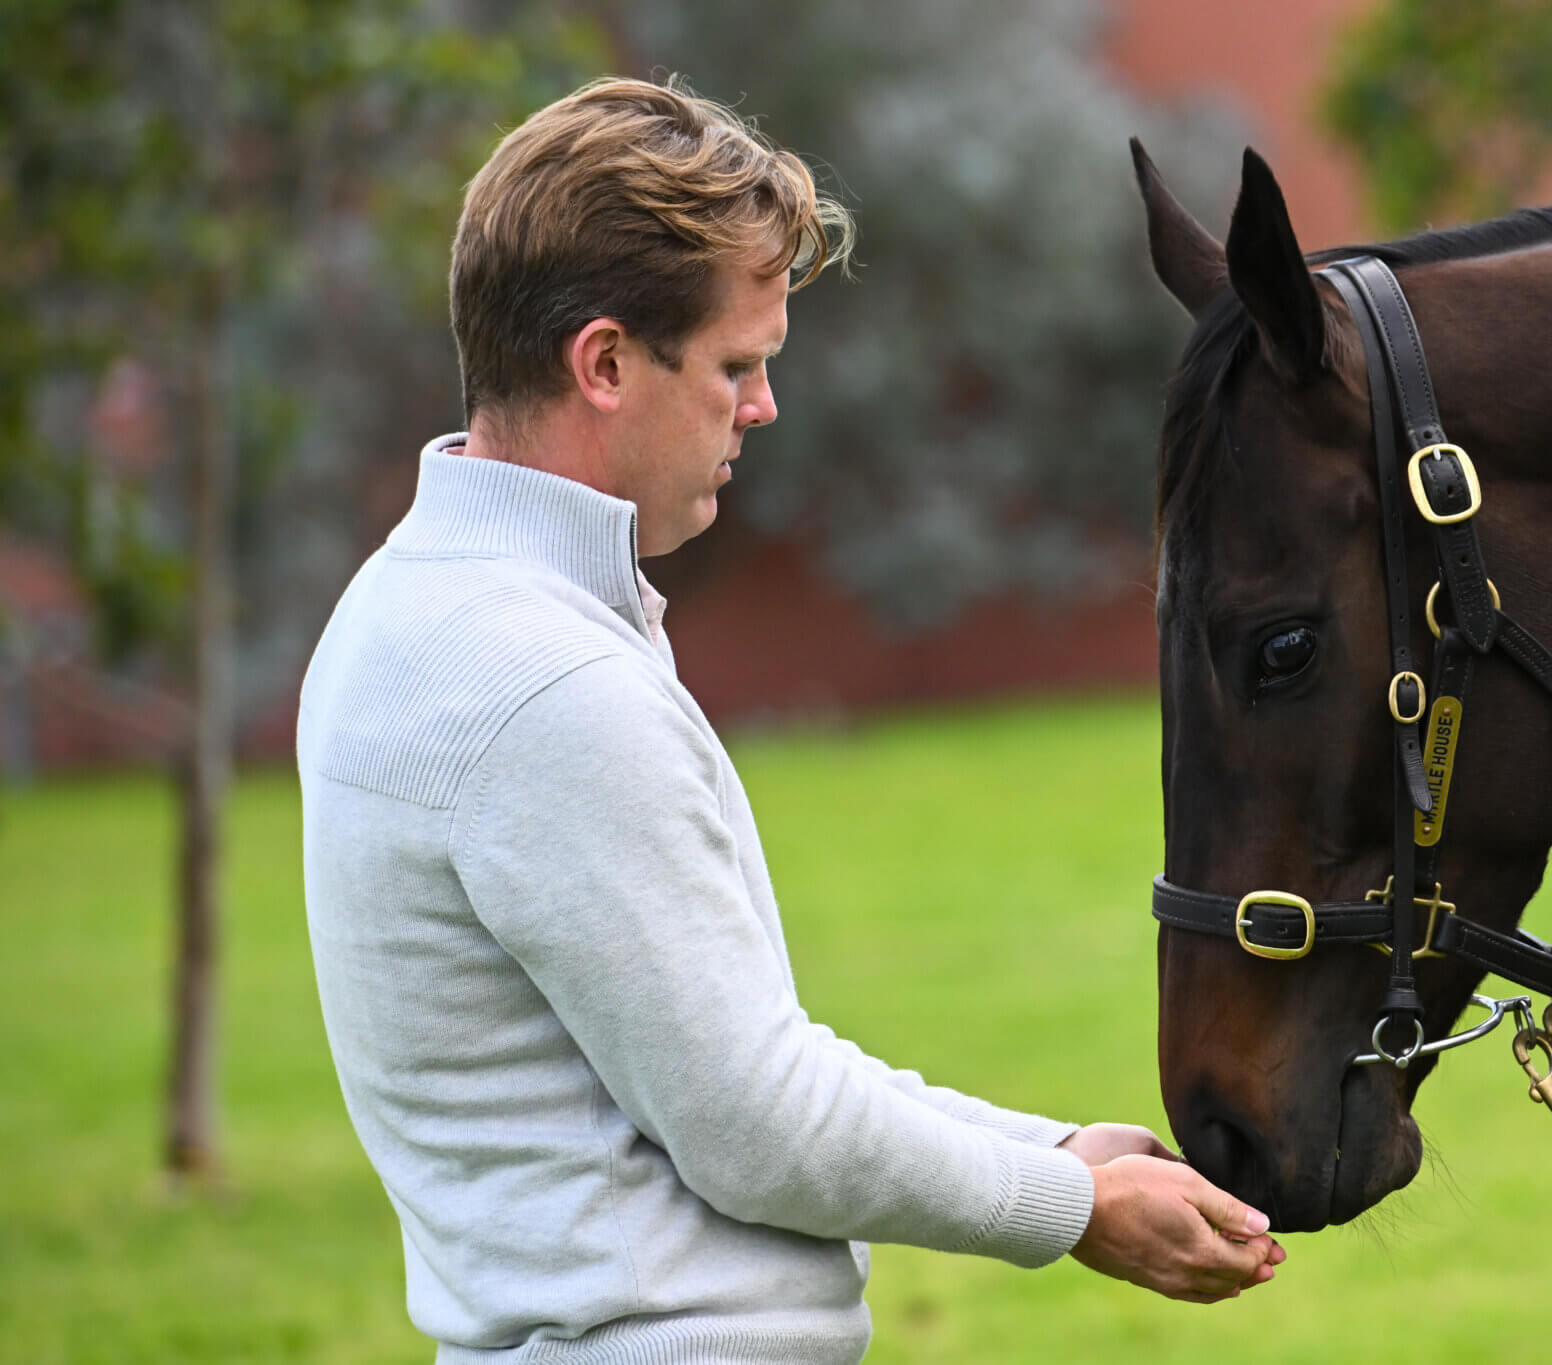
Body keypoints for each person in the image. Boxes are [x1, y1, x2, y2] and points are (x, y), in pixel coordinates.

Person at [297, 76, 1283, 1362]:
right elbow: (756, 1123)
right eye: (734, 366)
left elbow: (735, 1059)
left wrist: (1046, 1150)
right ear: (601, 363)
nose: (760, 408)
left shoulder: (401, 609)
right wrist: (1072, 1206)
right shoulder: (546, 689)